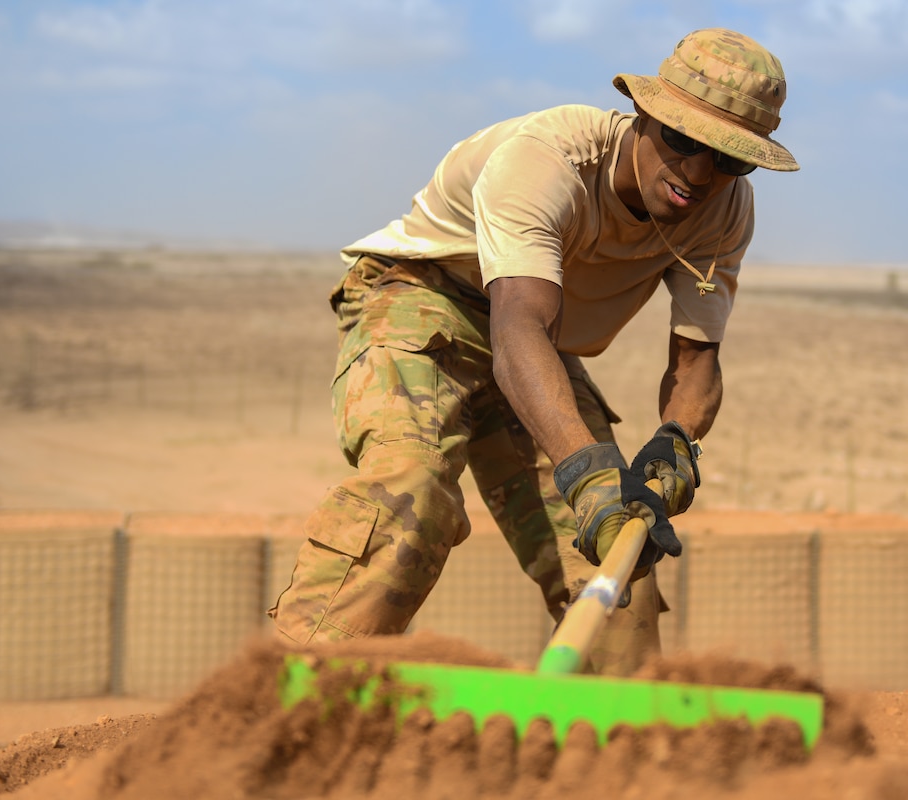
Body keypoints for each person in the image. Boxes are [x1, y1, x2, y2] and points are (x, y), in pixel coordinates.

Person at [268, 28, 797, 676]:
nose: (700, 172)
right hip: (429, 301)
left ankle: (613, 754)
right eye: (683, 141)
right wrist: (591, 475)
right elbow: (517, 332)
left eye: (729, 159)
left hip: (539, 346)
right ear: (645, 116)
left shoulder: (723, 211)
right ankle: (285, 699)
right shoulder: (547, 158)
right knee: (412, 489)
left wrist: (676, 442)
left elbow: (696, 363)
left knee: (621, 549)